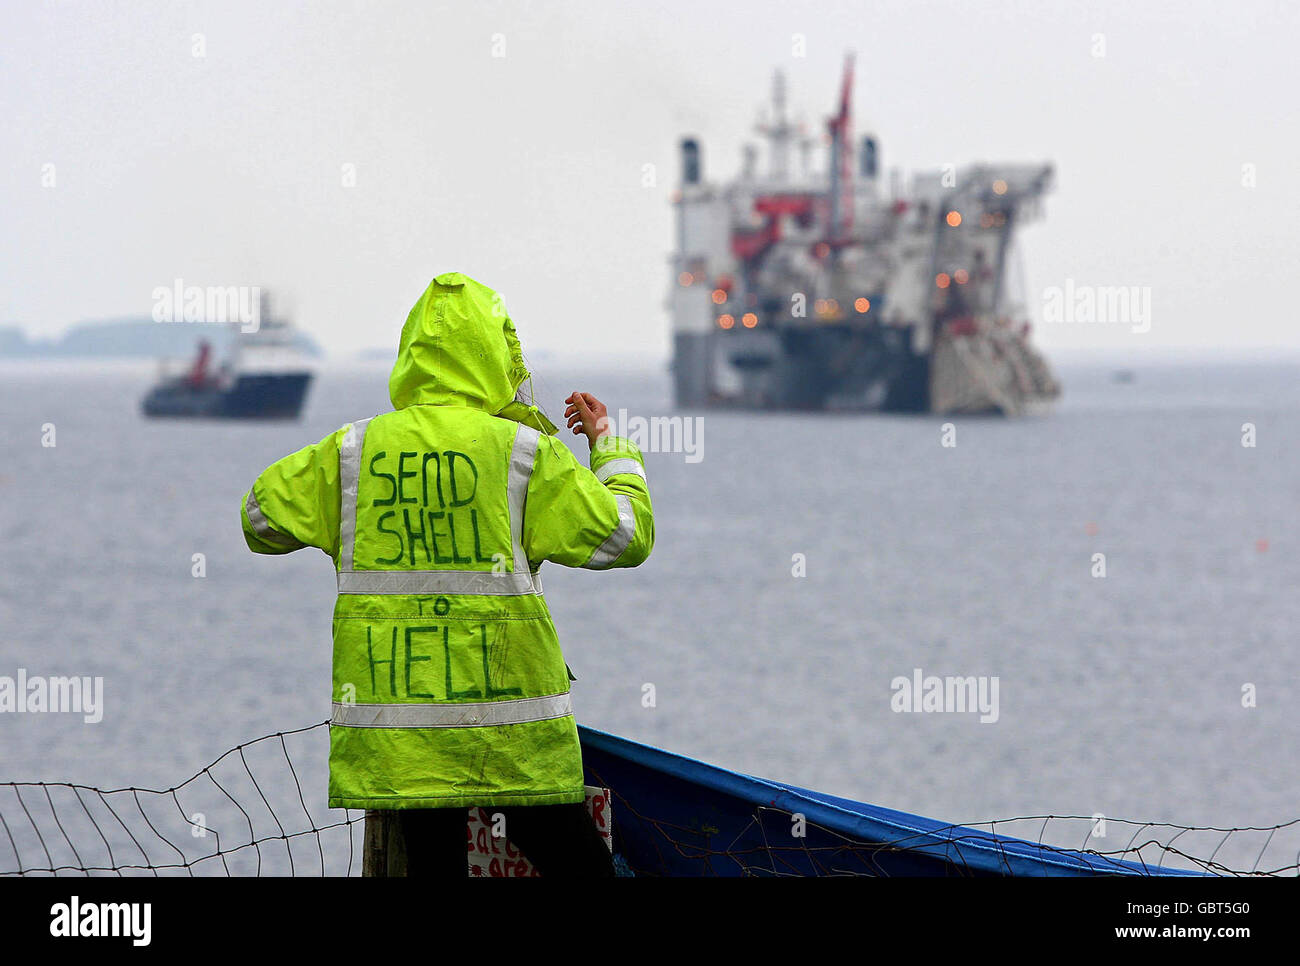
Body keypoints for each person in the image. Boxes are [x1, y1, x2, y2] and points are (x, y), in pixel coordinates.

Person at [238, 271, 654, 877]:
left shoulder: (352, 452)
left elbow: (260, 521)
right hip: (513, 735)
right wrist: (609, 444)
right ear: (496, 354)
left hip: (406, 746)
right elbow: (627, 535)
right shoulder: (522, 453)